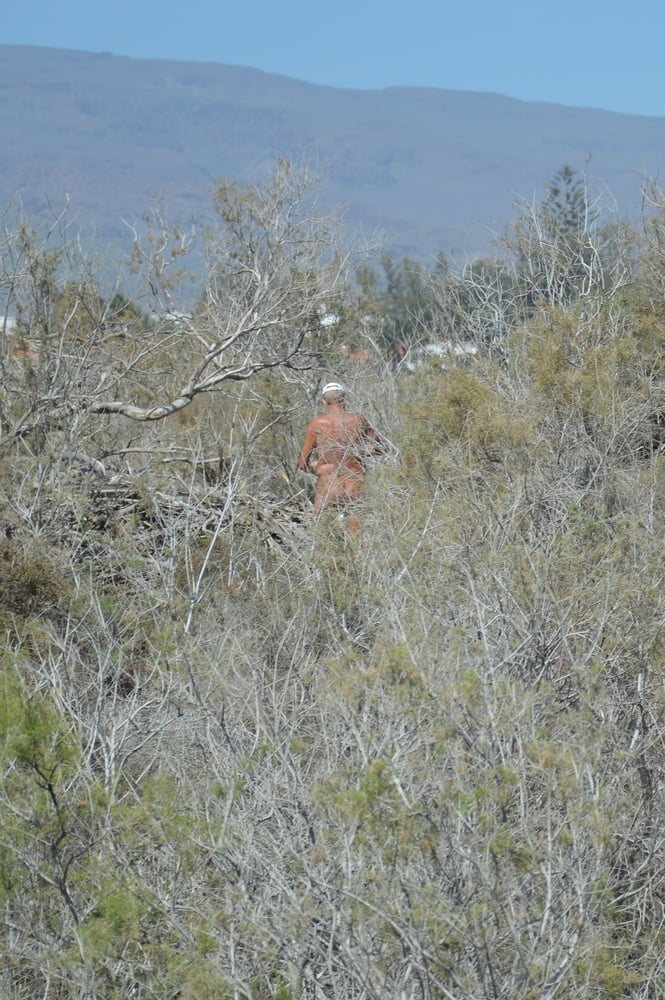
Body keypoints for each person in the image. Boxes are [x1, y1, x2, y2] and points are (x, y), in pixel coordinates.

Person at [297, 381, 387, 533]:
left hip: (329, 482)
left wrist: (315, 466)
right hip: (355, 481)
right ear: (345, 400)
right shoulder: (359, 420)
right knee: (356, 525)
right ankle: (355, 554)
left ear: (324, 402)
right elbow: (383, 447)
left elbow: (302, 463)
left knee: (322, 527)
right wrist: (364, 453)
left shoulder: (317, 424)